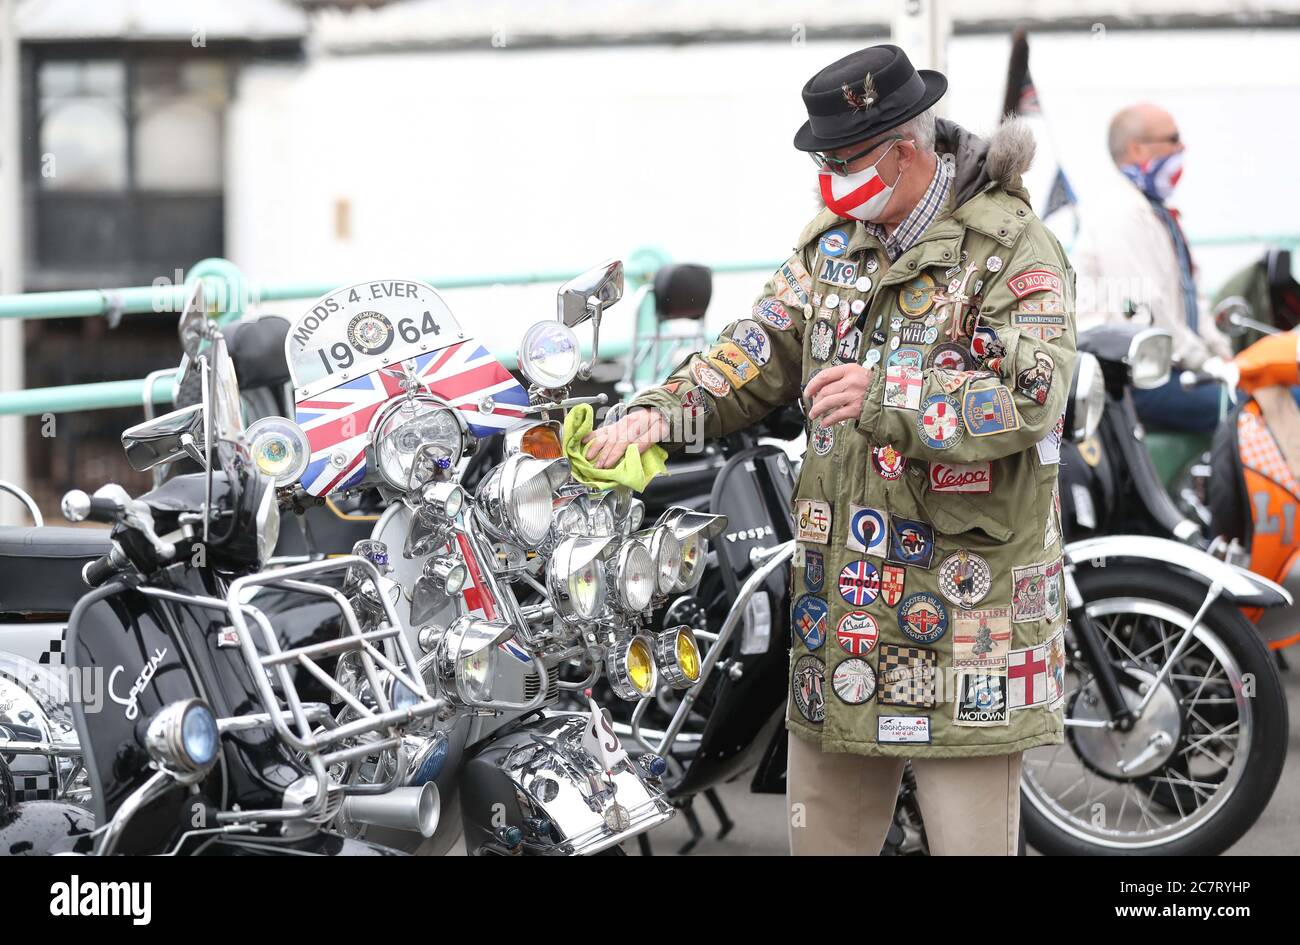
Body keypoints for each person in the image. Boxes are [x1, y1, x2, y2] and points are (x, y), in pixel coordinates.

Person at [584, 44, 1074, 855]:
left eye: (842, 161)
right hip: (841, 613)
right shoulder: (832, 244)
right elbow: (752, 352)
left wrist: (888, 399)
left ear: (906, 152)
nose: (829, 180)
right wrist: (658, 412)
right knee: (826, 844)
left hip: (965, 616)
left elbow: (1033, 394)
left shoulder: (1013, 246)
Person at [1072, 103, 1231, 433]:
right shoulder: (1119, 214)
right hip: (1137, 381)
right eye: (1172, 139)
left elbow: (1191, 296)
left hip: (1171, 368)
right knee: (1246, 408)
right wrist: (1207, 362)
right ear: (1138, 148)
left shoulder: (1155, 213)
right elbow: (1146, 311)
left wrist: (1222, 355)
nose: (1182, 148)